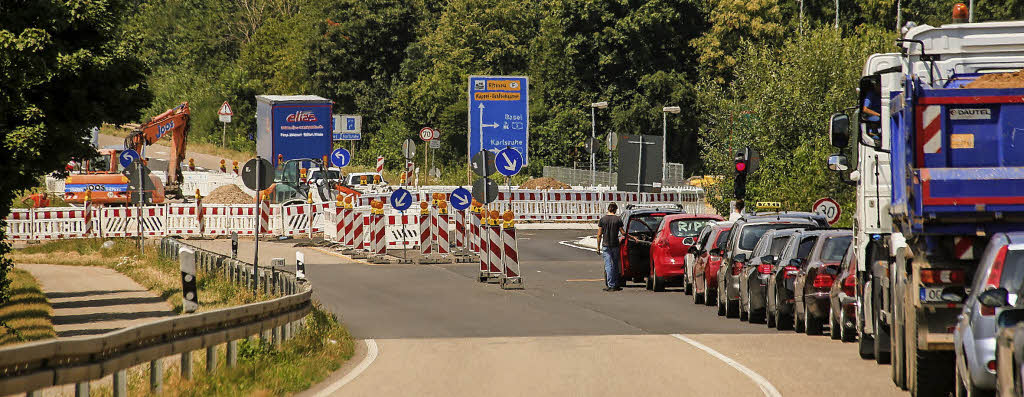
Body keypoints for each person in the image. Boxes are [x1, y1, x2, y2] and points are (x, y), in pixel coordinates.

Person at [596, 203, 626, 292]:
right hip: (615, 244)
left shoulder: (602, 220)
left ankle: (610, 285)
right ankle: (616, 284)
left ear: (608, 209)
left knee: (608, 265)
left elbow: (599, 234)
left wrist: (598, 247)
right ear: (615, 210)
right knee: (615, 264)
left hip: (606, 245)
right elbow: (623, 232)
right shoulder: (618, 219)